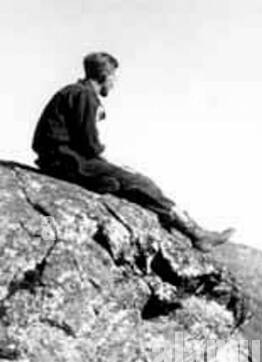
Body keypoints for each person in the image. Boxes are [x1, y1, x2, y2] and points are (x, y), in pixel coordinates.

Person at [33, 52, 233, 251]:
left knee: (119, 182)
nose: (114, 83)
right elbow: (90, 145)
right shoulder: (85, 96)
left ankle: (190, 229)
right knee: (140, 182)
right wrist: (116, 164)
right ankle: (196, 233)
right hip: (68, 161)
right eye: (113, 78)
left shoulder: (74, 92)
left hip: (59, 159)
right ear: (105, 76)